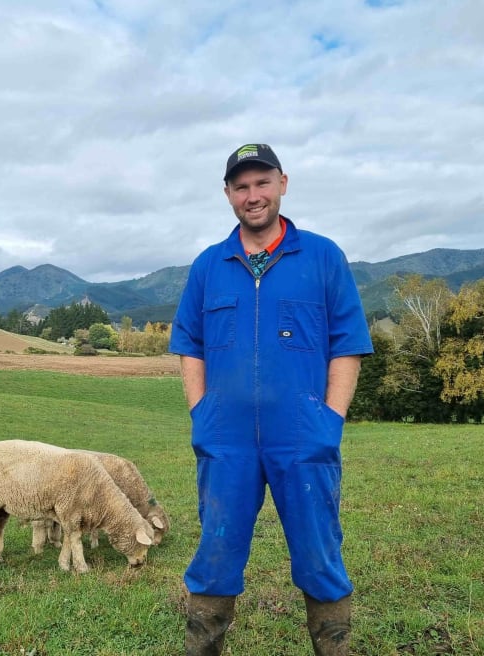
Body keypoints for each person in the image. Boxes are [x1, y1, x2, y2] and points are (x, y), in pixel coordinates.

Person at [169, 143, 373, 655]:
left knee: (320, 557)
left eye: (262, 182)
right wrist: (202, 413)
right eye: (241, 186)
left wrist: (329, 421)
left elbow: (348, 344)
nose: (253, 195)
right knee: (215, 555)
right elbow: (190, 345)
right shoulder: (209, 265)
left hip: (304, 437)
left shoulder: (323, 257)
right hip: (226, 441)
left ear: (283, 183)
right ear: (227, 194)